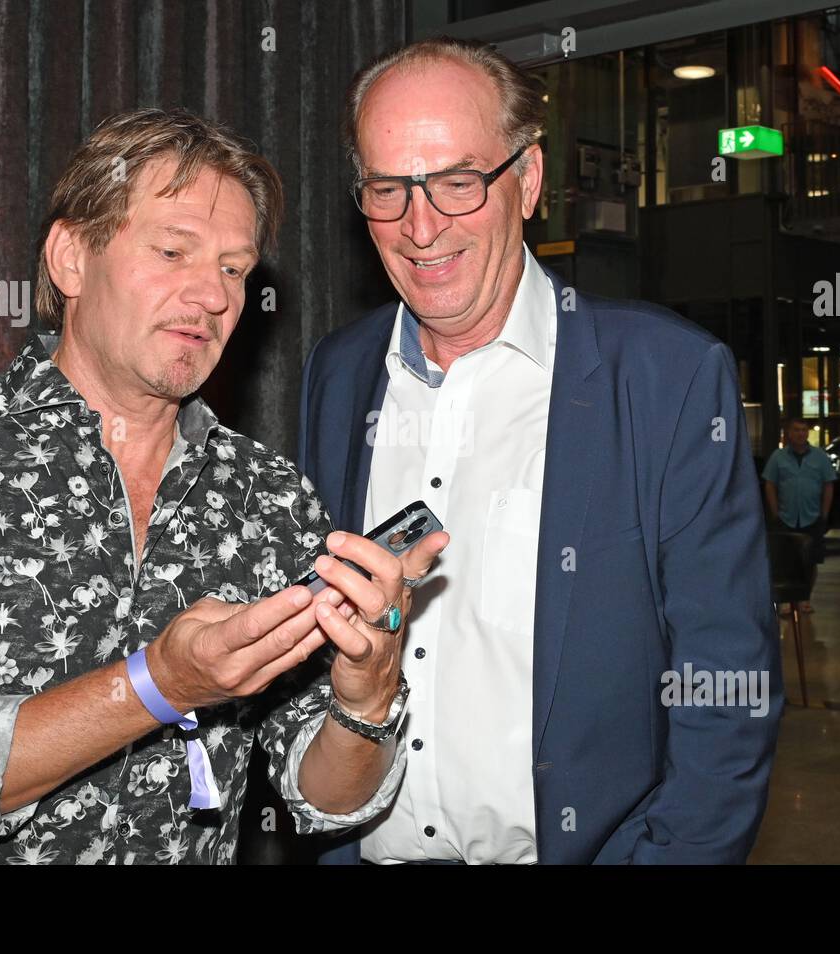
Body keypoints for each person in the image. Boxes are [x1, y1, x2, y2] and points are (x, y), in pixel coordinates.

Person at [0, 107, 446, 864]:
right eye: (174, 251)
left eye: (234, 270)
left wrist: (365, 698)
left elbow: (323, 801)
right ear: (71, 259)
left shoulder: (268, 497)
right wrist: (159, 684)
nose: (213, 296)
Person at [299, 38, 782, 865]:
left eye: (457, 181)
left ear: (527, 180)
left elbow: (726, 691)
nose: (421, 227)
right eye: (388, 190)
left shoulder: (664, 377)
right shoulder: (337, 373)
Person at [762, 418, 836, 613]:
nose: (800, 433)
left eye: (804, 430)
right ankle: (785, 600)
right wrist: (775, 511)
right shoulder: (778, 457)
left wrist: (824, 513)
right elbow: (770, 484)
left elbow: (829, 485)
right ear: (788, 433)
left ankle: (804, 599)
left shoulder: (820, 457)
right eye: (796, 430)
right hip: (786, 517)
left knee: (810, 561)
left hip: (811, 517)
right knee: (784, 560)